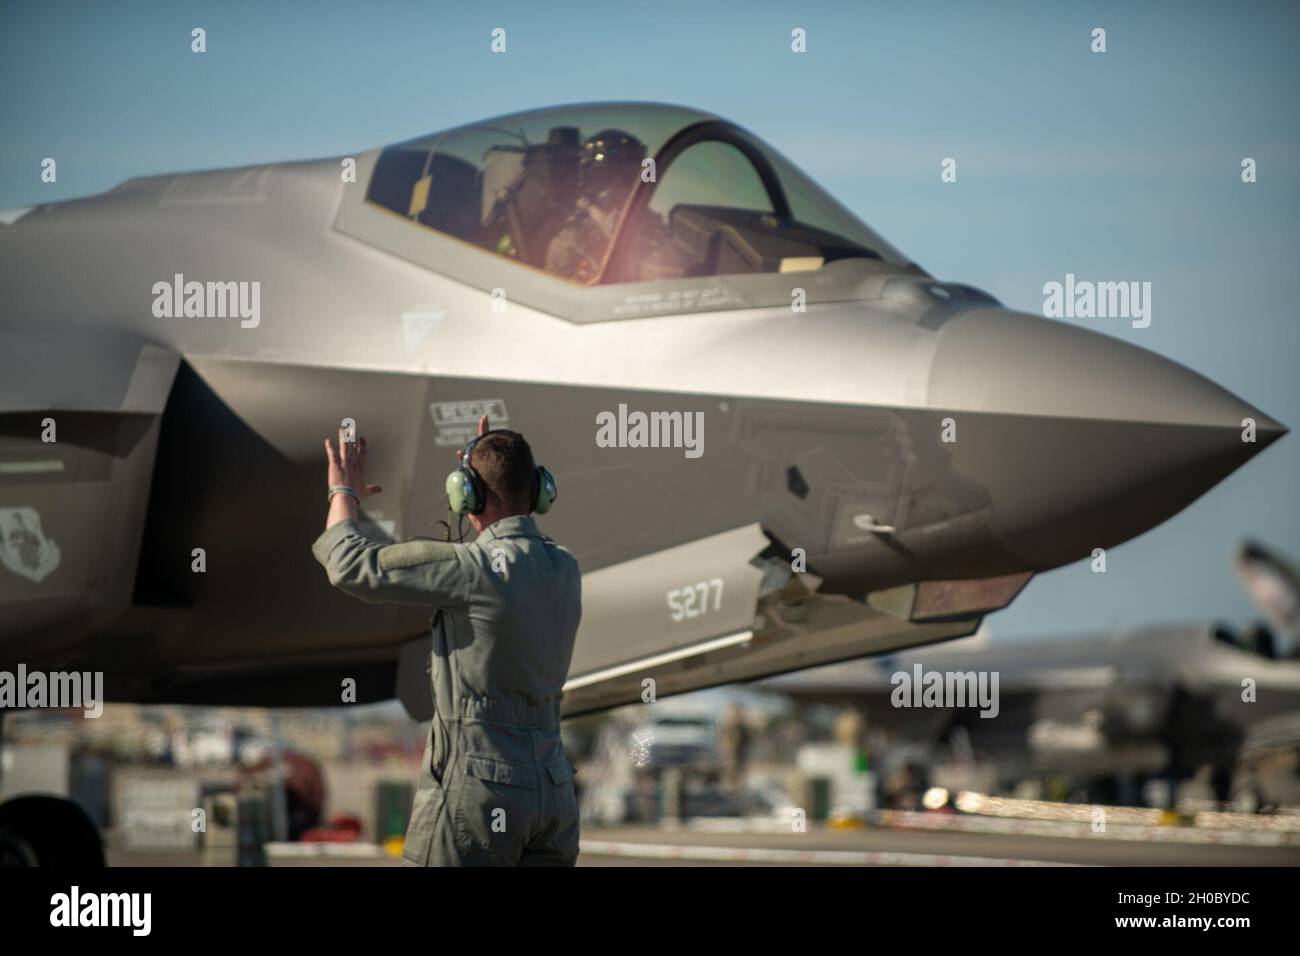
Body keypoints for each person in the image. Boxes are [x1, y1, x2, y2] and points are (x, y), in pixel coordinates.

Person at [312, 416, 583, 866]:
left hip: (482, 789)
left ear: (467, 495)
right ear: (538, 491)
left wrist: (344, 492)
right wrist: (482, 467)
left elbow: (348, 563)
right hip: (553, 792)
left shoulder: (470, 571)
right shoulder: (565, 568)